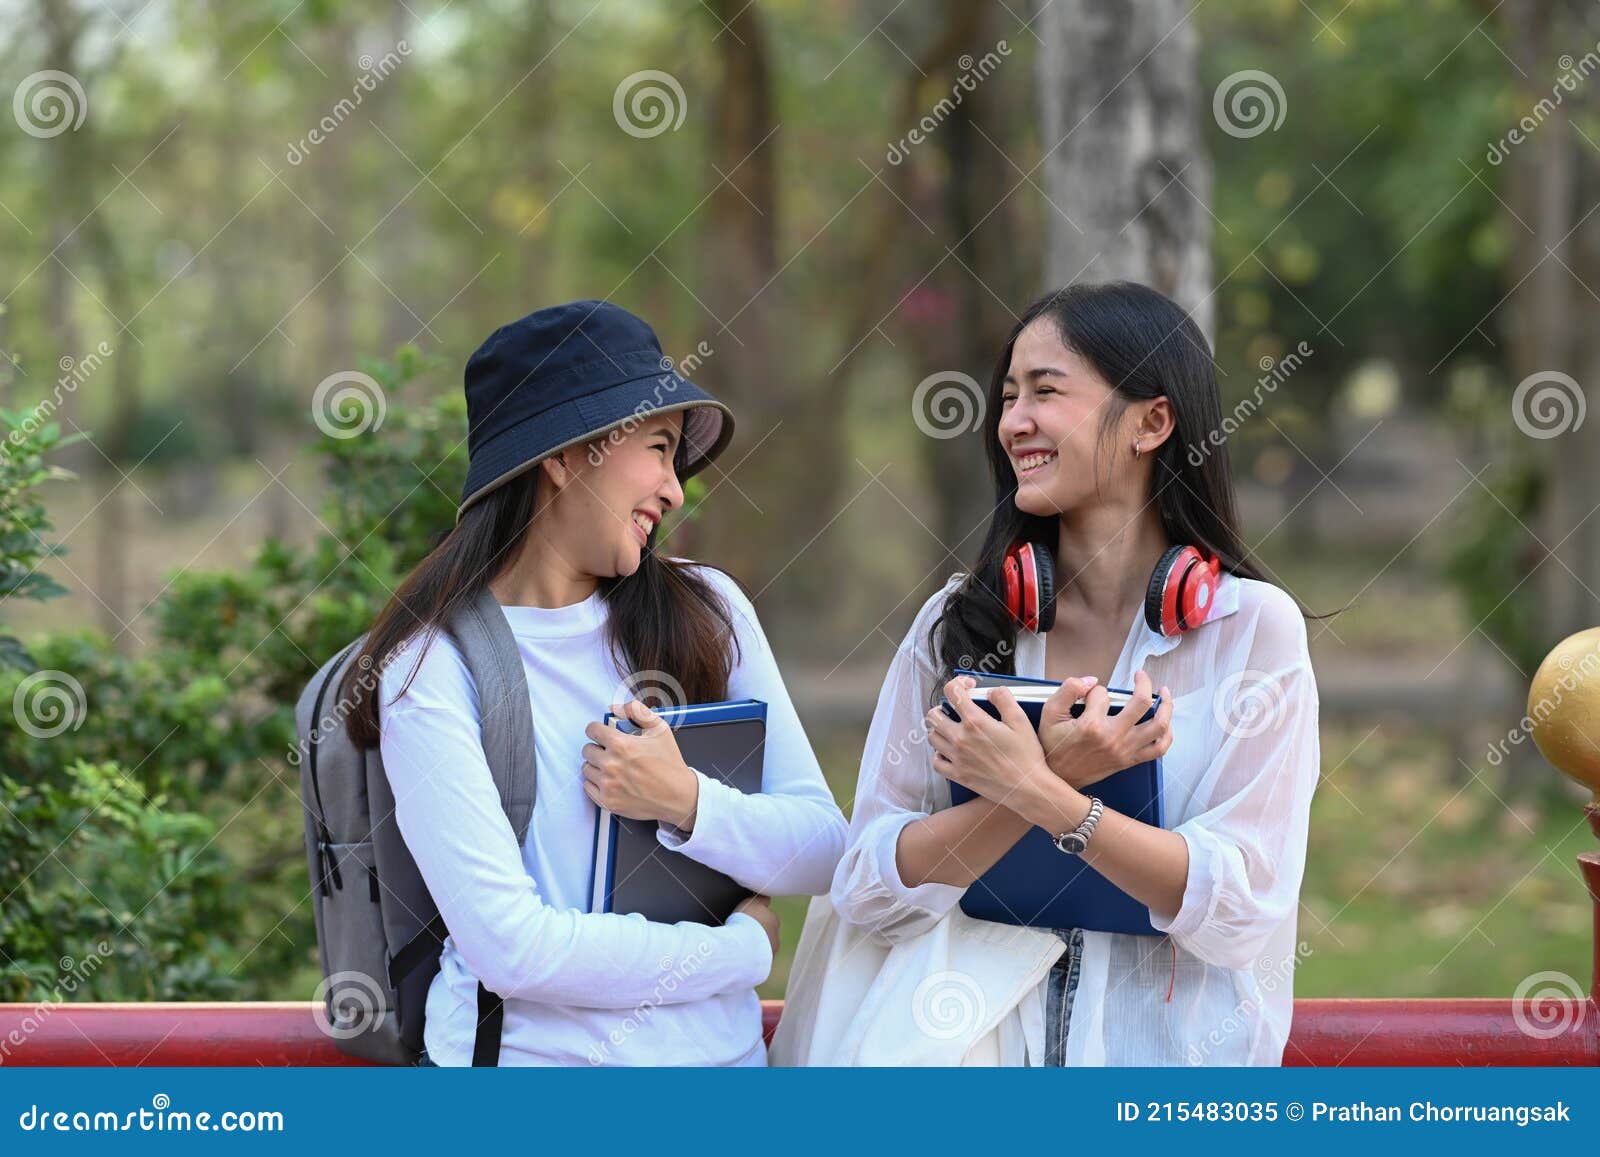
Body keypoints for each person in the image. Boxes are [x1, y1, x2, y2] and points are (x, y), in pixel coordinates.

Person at [774, 281, 1324, 1066]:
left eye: (1045, 390)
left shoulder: (1252, 631)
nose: (1013, 422)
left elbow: (1240, 906)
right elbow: (867, 883)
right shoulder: (957, 625)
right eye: (1008, 396)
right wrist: (1042, 783)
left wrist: (1041, 790)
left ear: (1152, 422)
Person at [342, 300, 847, 1066]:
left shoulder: (708, 610)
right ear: (566, 454)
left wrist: (688, 802)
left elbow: (823, 848)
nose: (675, 490)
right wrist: (741, 950)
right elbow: (514, 949)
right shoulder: (433, 667)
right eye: (658, 448)